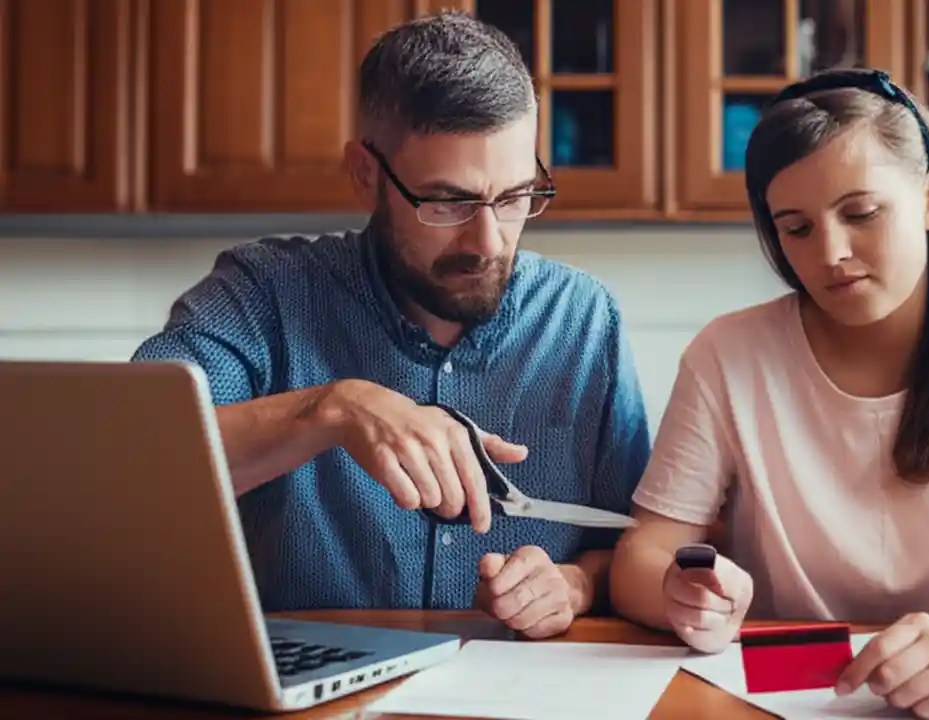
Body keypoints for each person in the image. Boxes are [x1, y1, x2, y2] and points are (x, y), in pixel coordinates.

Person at [610, 69, 929, 718]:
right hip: (776, 691)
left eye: (862, 213)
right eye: (796, 228)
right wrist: (678, 592)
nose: (832, 253)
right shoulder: (727, 356)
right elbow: (641, 558)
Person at [132, 12, 650, 640]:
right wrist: (331, 410)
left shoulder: (585, 318)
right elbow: (134, 460)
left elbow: (632, 540)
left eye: (515, 198)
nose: (488, 242)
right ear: (365, 174)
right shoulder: (263, 293)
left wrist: (574, 585)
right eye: (448, 202)